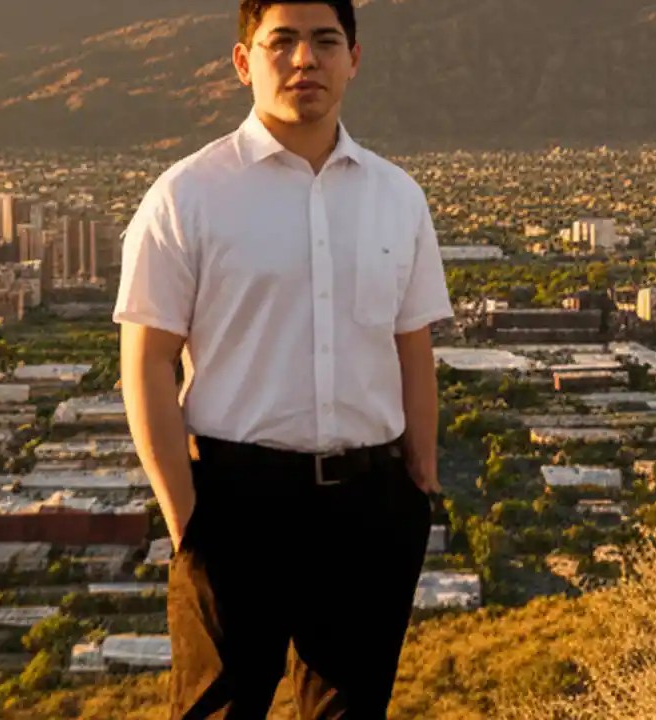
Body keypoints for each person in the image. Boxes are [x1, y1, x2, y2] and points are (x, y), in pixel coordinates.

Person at [113, 0, 454, 717]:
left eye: (326, 42)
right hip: (236, 505)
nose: (306, 60)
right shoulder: (187, 196)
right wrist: (186, 521)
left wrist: (419, 481)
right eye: (284, 42)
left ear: (354, 58)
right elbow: (146, 363)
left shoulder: (397, 196)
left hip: (370, 505)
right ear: (244, 61)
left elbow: (412, 343)